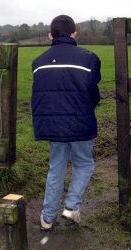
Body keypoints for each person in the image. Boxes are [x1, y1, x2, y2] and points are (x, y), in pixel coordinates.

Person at [31, 15, 101, 230]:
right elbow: (93, 92)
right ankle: (71, 207)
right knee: (84, 163)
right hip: (80, 122)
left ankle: (47, 217)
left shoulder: (38, 63)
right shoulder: (89, 58)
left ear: (50, 35)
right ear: (74, 34)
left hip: (53, 126)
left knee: (56, 168)